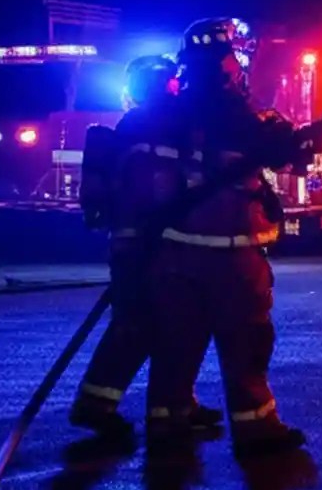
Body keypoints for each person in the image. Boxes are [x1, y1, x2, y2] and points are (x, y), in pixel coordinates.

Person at [146, 17, 322, 455]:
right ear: (229, 63)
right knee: (247, 343)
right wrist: (315, 136)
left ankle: (165, 422)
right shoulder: (247, 118)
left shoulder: (166, 115)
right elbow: (292, 156)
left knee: (175, 344)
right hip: (231, 257)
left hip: (173, 253)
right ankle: (256, 429)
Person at [69, 55, 221, 438]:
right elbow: (156, 189)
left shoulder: (141, 125)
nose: (178, 91)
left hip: (141, 242)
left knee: (167, 325)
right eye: (173, 84)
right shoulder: (154, 127)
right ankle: (107, 406)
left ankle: (168, 404)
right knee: (145, 326)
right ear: (163, 87)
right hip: (148, 244)